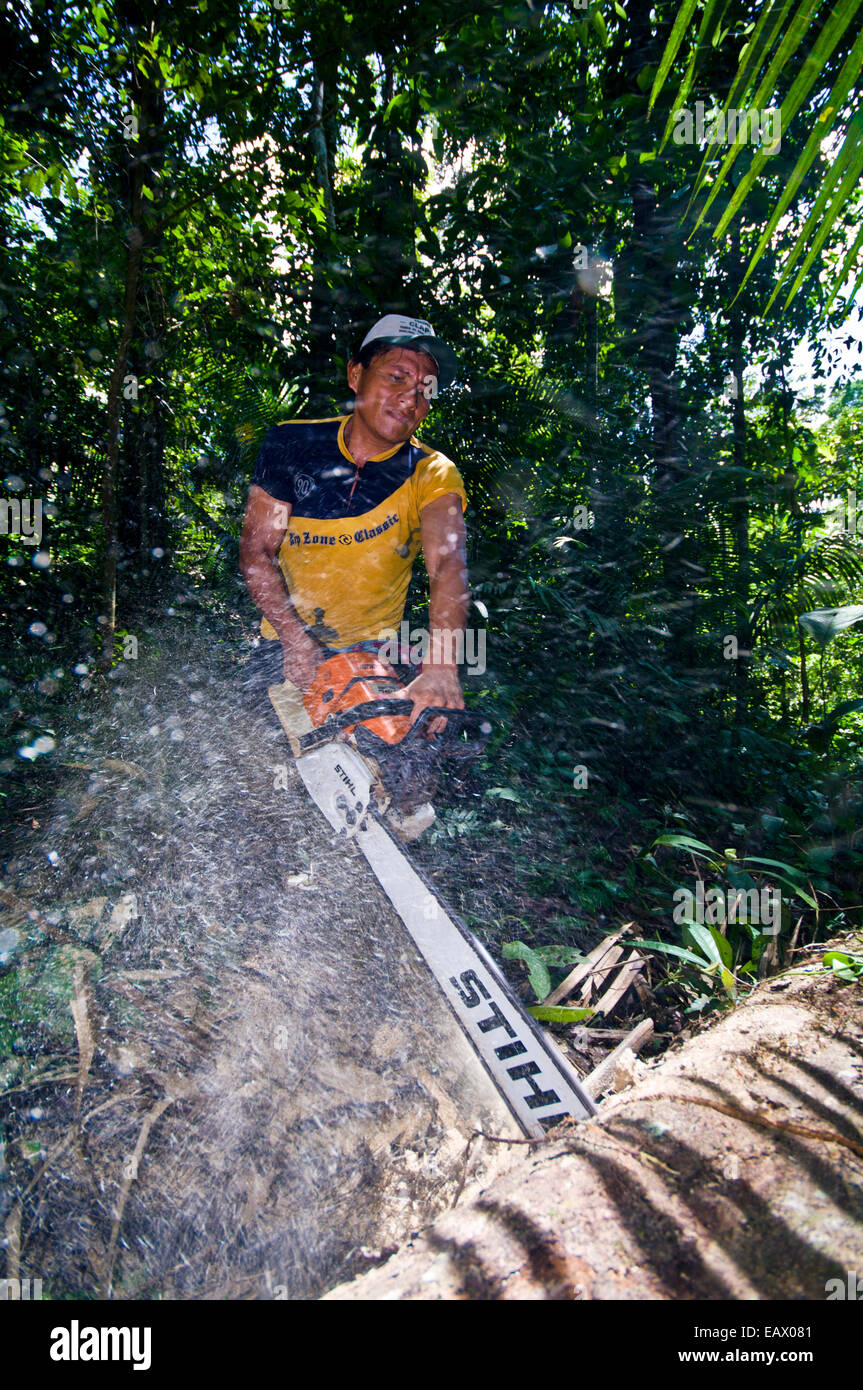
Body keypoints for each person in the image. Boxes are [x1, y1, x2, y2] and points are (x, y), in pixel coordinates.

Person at [239, 315, 469, 731]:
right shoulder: (291, 445)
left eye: (425, 389)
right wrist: (293, 637)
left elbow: (448, 564)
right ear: (355, 374)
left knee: (398, 767)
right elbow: (257, 551)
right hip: (281, 638)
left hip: (371, 654)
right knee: (260, 772)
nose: (411, 398)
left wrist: (441, 667)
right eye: (397, 377)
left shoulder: (433, 472)